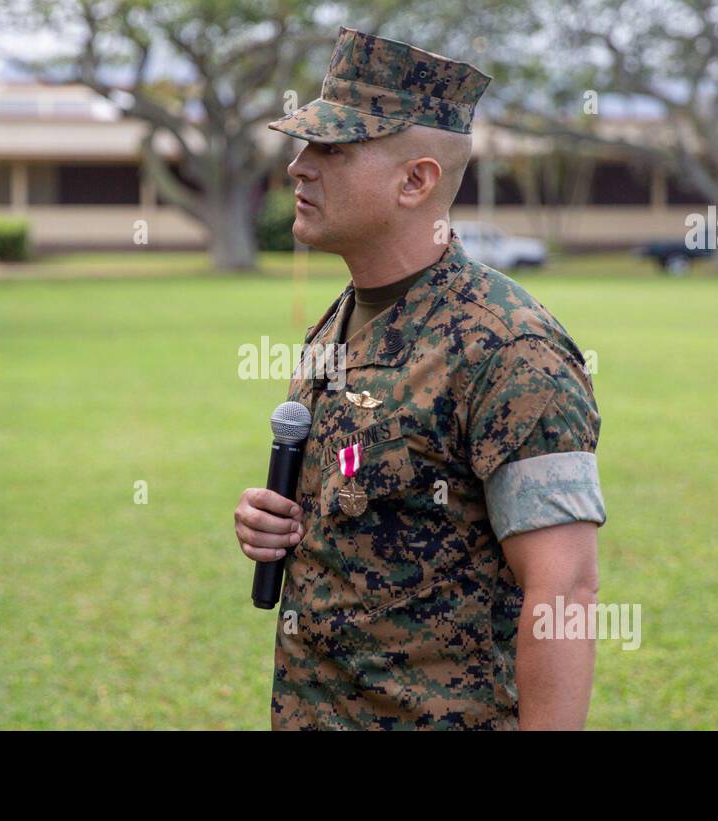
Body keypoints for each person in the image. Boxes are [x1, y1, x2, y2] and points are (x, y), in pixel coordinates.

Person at [233, 27, 608, 730]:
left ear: (417, 180)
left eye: (331, 150)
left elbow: (564, 588)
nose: (297, 168)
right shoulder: (345, 317)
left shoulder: (508, 347)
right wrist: (280, 519)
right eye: (303, 146)